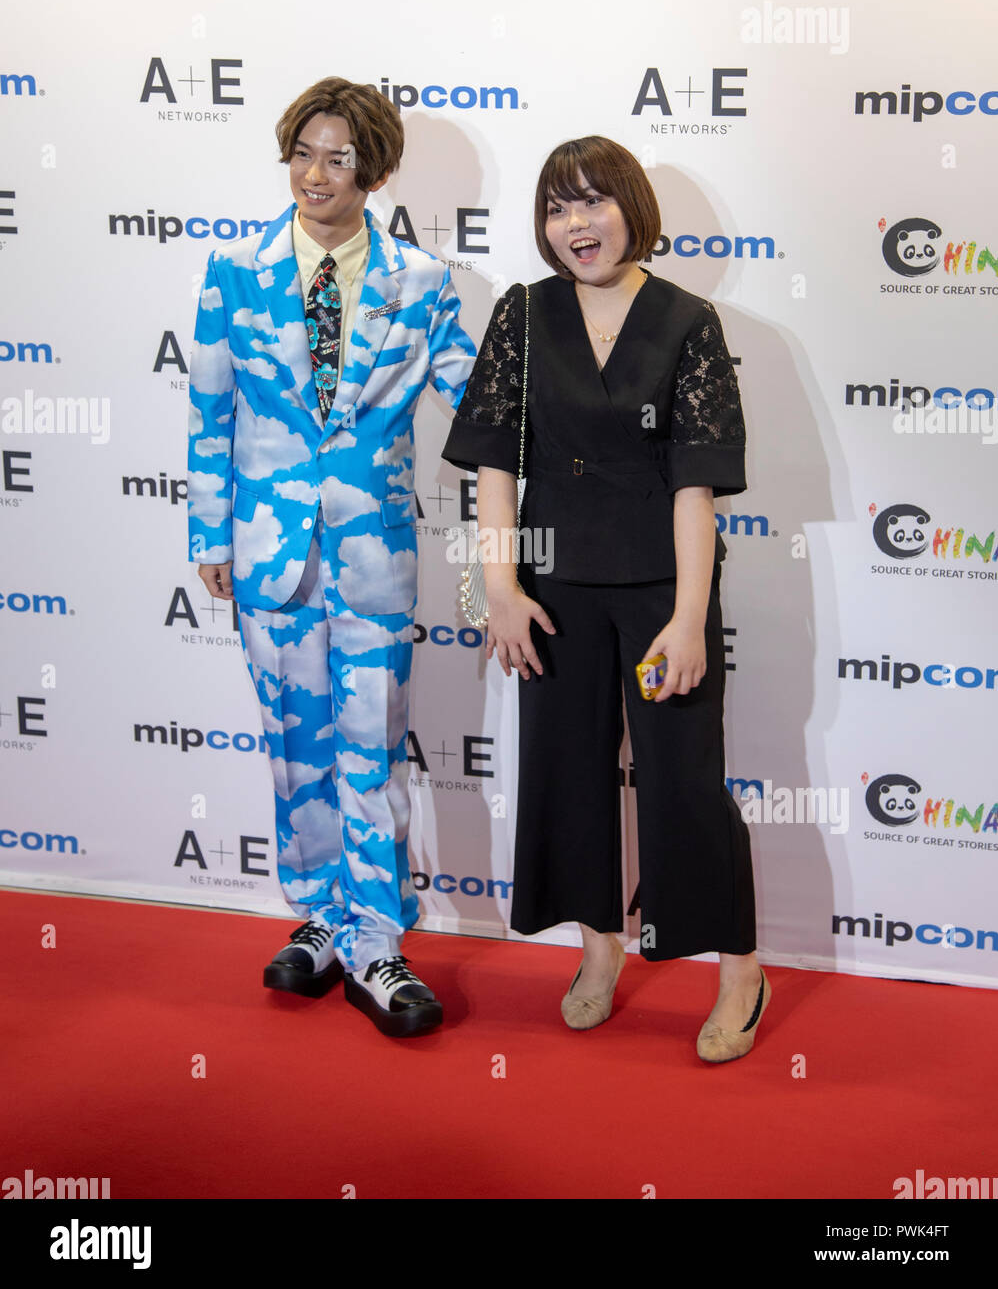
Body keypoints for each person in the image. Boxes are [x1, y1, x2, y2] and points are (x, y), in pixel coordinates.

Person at [442, 136, 767, 1062]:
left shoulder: (685, 320)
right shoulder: (523, 313)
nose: (574, 223)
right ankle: (597, 947)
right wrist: (499, 587)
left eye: (592, 201)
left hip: (664, 590)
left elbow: (694, 487)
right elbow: (494, 462)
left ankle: (738, 968)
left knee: (683, 786)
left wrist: (687, 616)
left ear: (630, 208)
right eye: (556, 207)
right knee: (567, 776)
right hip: (551, 590)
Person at [187, 77, 476, 1037]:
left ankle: (378, 947)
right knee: (292, 752)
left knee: (371, 748)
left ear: (375, 170)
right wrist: (210, 531)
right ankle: (317, 920)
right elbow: (211, 411)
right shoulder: (235, 271)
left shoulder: (424, 282)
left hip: (374, 558)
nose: (313, 174)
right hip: (268, 554)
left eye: (337, 158)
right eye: (301, 153)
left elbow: (474, 404)